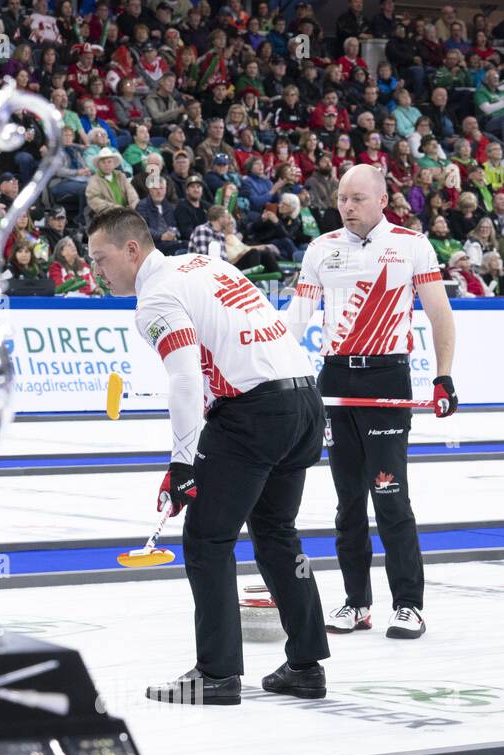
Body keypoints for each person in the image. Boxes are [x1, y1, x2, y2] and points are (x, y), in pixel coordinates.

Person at [87, 207, 330, 706]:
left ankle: (217, 674)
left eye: (101, 259)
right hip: (304, 401)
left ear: (132, 250)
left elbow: (185, 377)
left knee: (206, 539)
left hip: (254, 412)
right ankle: (306, 665)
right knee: (277, 533)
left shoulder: (153, 298)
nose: (97, 271)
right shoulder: (203, 265)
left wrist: (181, 465)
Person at [285, 163, 458, 639]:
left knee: (390, 495)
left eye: (357, 198)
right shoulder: (321, 249)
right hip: (336, 378)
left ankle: (408, 605)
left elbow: (440, 315)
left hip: (387, 377)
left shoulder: (411, 245)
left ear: (383, 200)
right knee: (346, 503)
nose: (347, 206)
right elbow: (295, 320)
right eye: (342, 198)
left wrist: (443, 377)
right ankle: (357, 603)